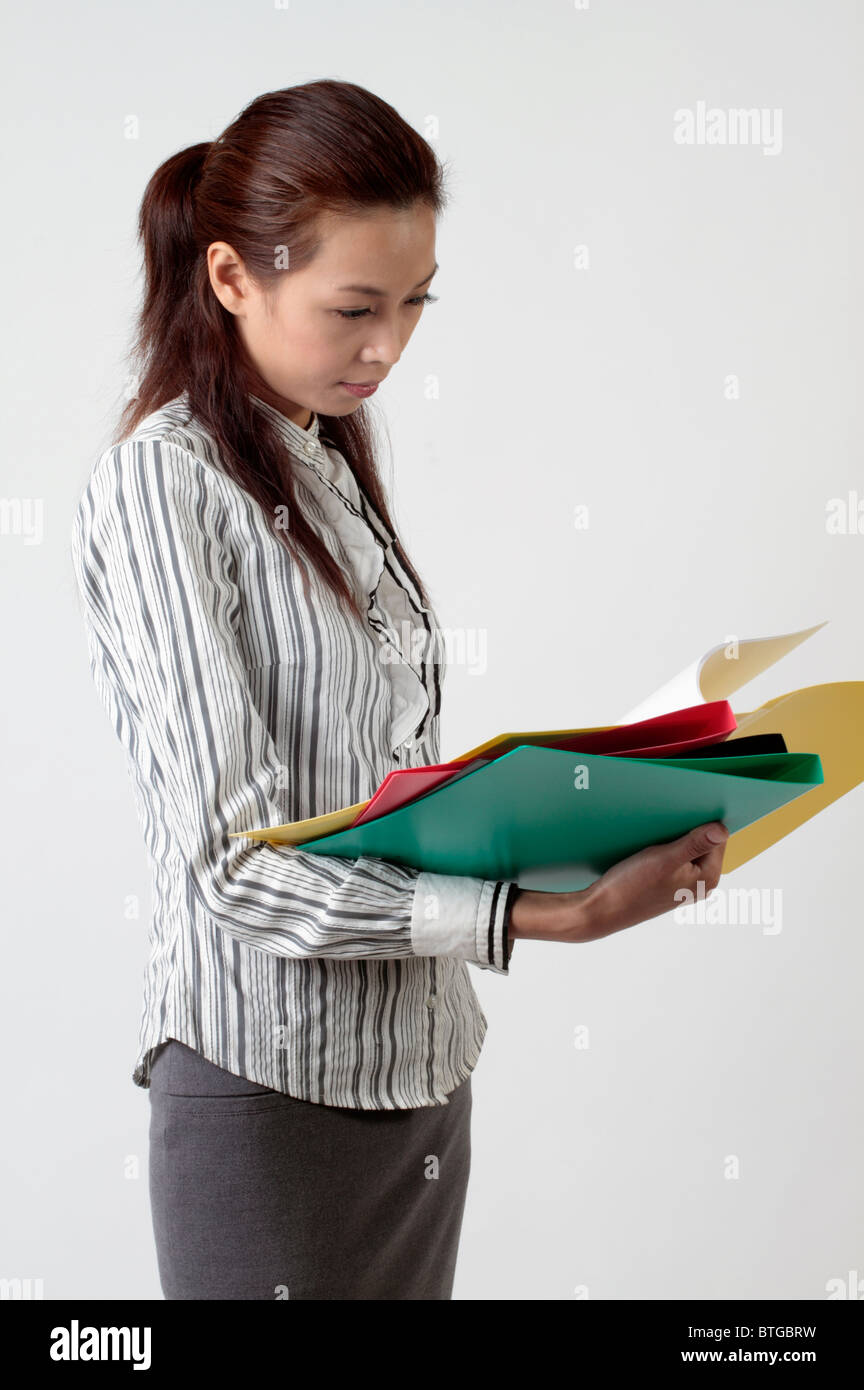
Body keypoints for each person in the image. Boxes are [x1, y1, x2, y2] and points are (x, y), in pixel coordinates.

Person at [70, 78, 728, 1301]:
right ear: (228, 278)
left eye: (416, 302)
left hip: (415, 1072)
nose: (389, 345)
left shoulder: (317, 459)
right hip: (266, 1088)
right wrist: (536, 919)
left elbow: (368, 795)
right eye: (353, 307)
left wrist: (578, 828)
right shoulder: (161, 487)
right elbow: (232, 861)